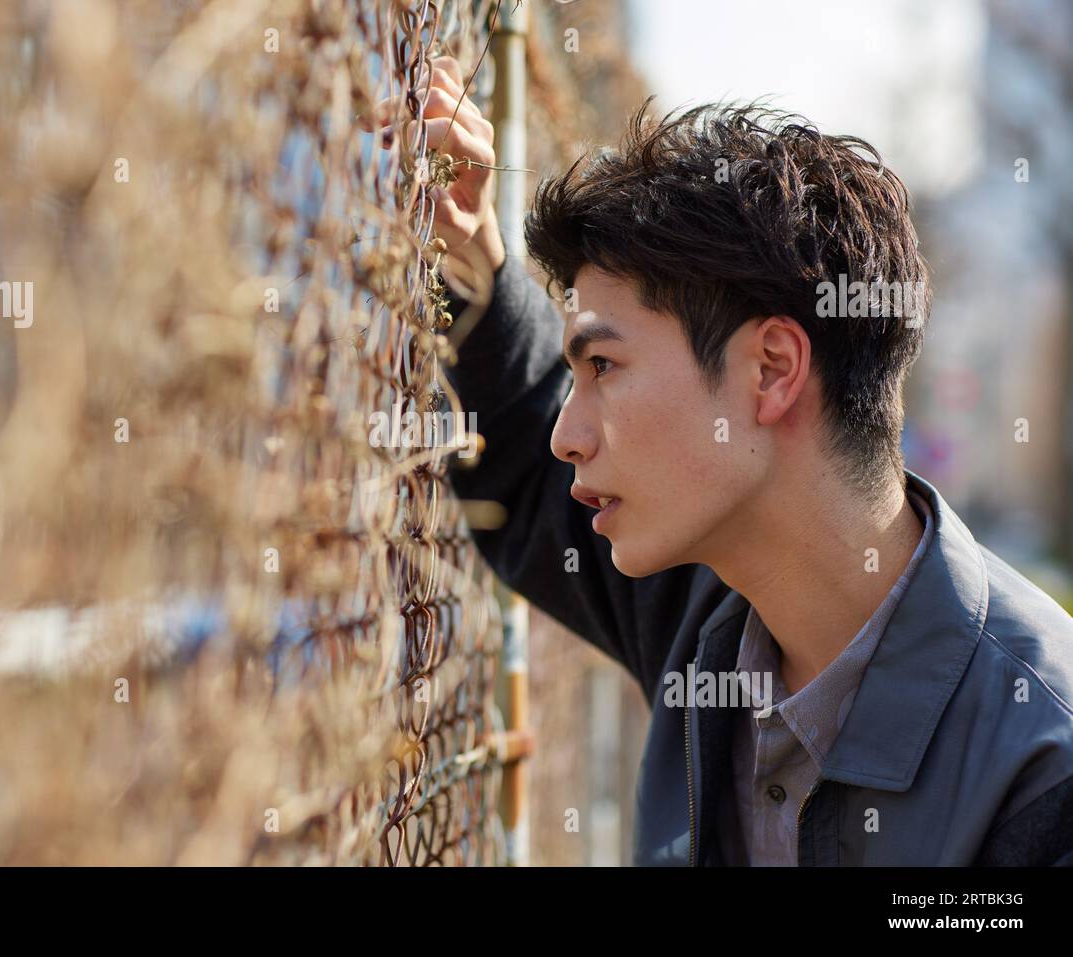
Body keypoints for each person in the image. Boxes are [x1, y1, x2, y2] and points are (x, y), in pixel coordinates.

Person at [387, 56, 1073, 865]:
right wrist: (472, 265)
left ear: (773, 369)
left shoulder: (1042, 764)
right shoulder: (713, 616)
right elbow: (529, 476)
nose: (569, 435)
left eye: (603, 367)